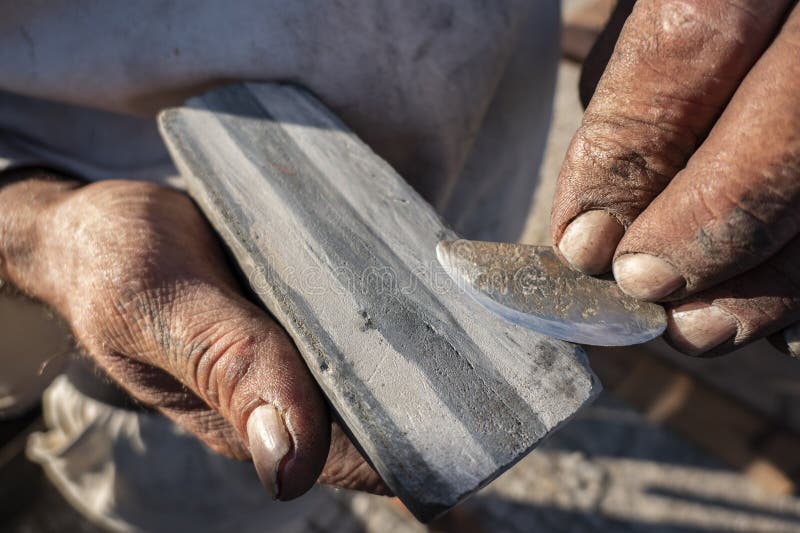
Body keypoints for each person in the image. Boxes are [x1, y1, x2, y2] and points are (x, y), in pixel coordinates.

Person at [0, 0, 798, 528]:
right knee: (212, 500)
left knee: (453, 434)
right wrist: (40, 229)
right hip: (131, 258)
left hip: (476, 182)